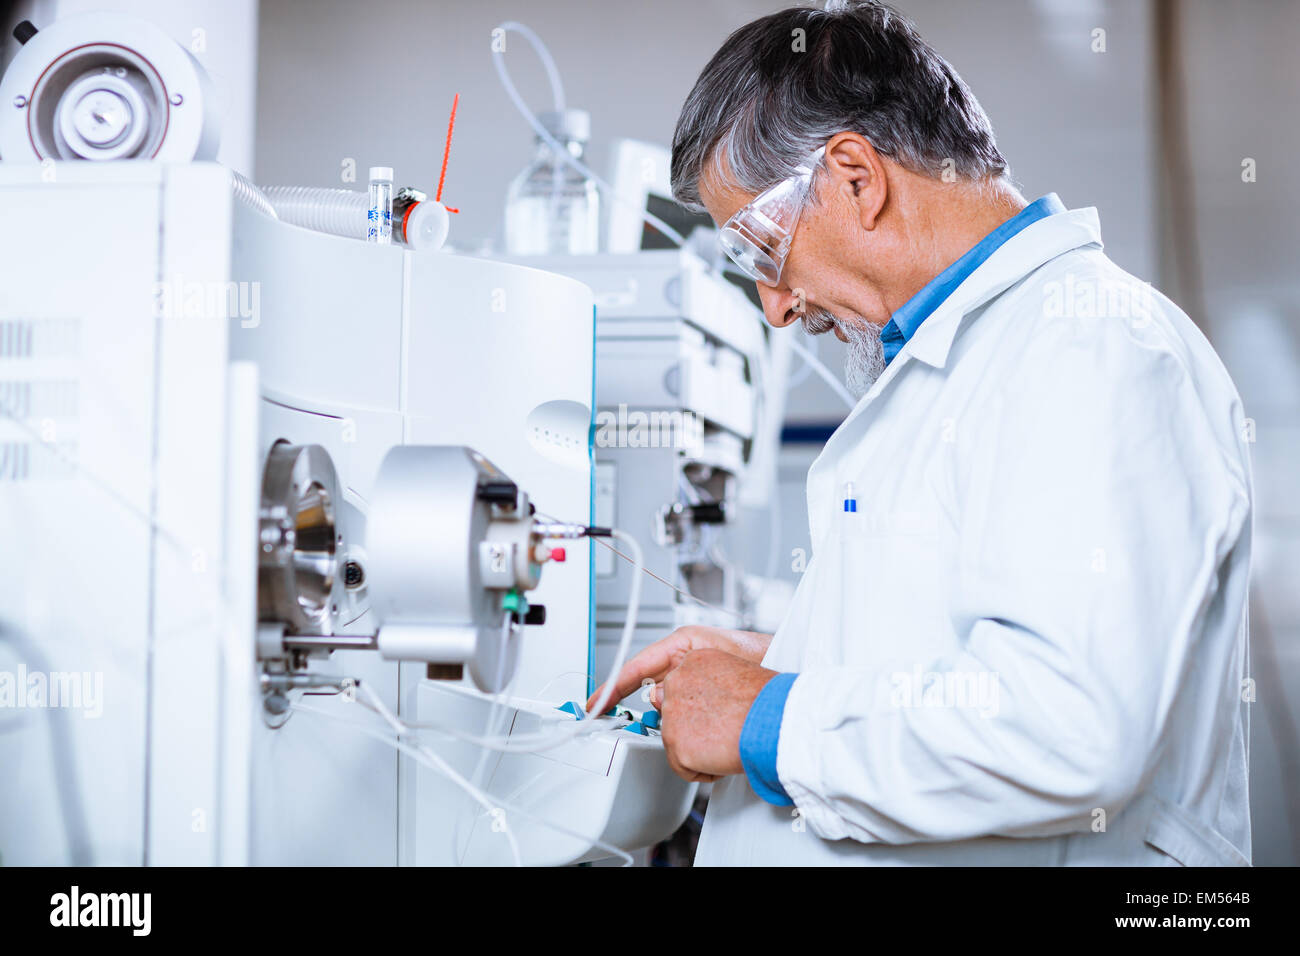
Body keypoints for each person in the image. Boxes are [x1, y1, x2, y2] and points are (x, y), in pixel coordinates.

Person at [589, 0, 1253, 866]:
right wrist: (797, 656)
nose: (778, 307)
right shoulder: (976, 356)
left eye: (760, 252)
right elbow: (968, 651)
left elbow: (1069, 725)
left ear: (856, 176)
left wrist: (767, 718)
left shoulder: (1092, 343)